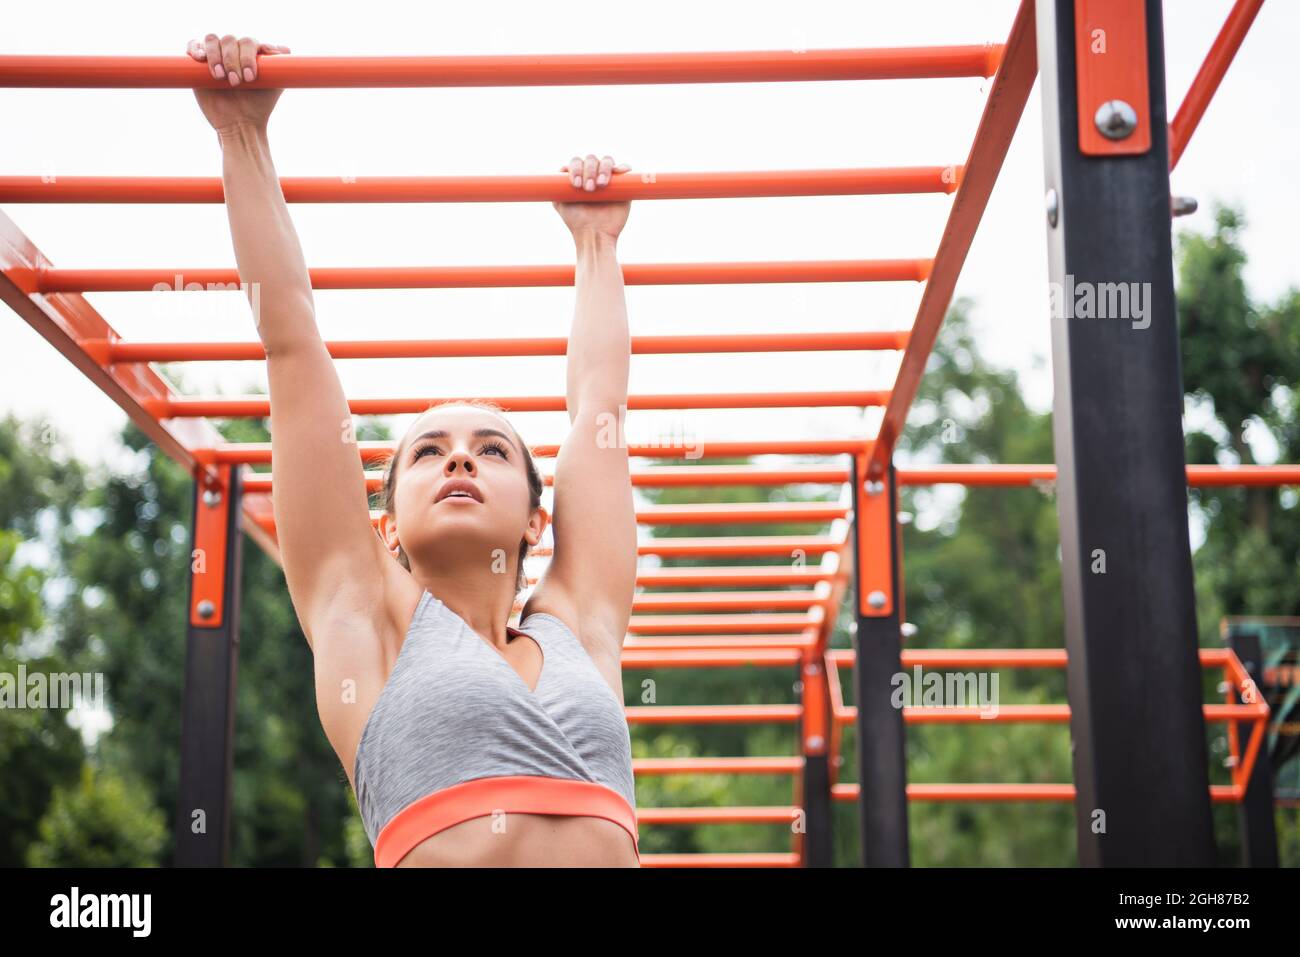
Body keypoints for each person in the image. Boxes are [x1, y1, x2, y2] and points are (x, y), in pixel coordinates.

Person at [187, 34, 640, 867]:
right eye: (429, 451)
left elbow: (598, 409)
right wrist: (241, 136)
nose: (461, 460)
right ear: (385, 526)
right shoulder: (365, 618)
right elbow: (292, 345)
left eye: (493, 451)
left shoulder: (583, 621)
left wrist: (597, 247)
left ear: (538, 521)